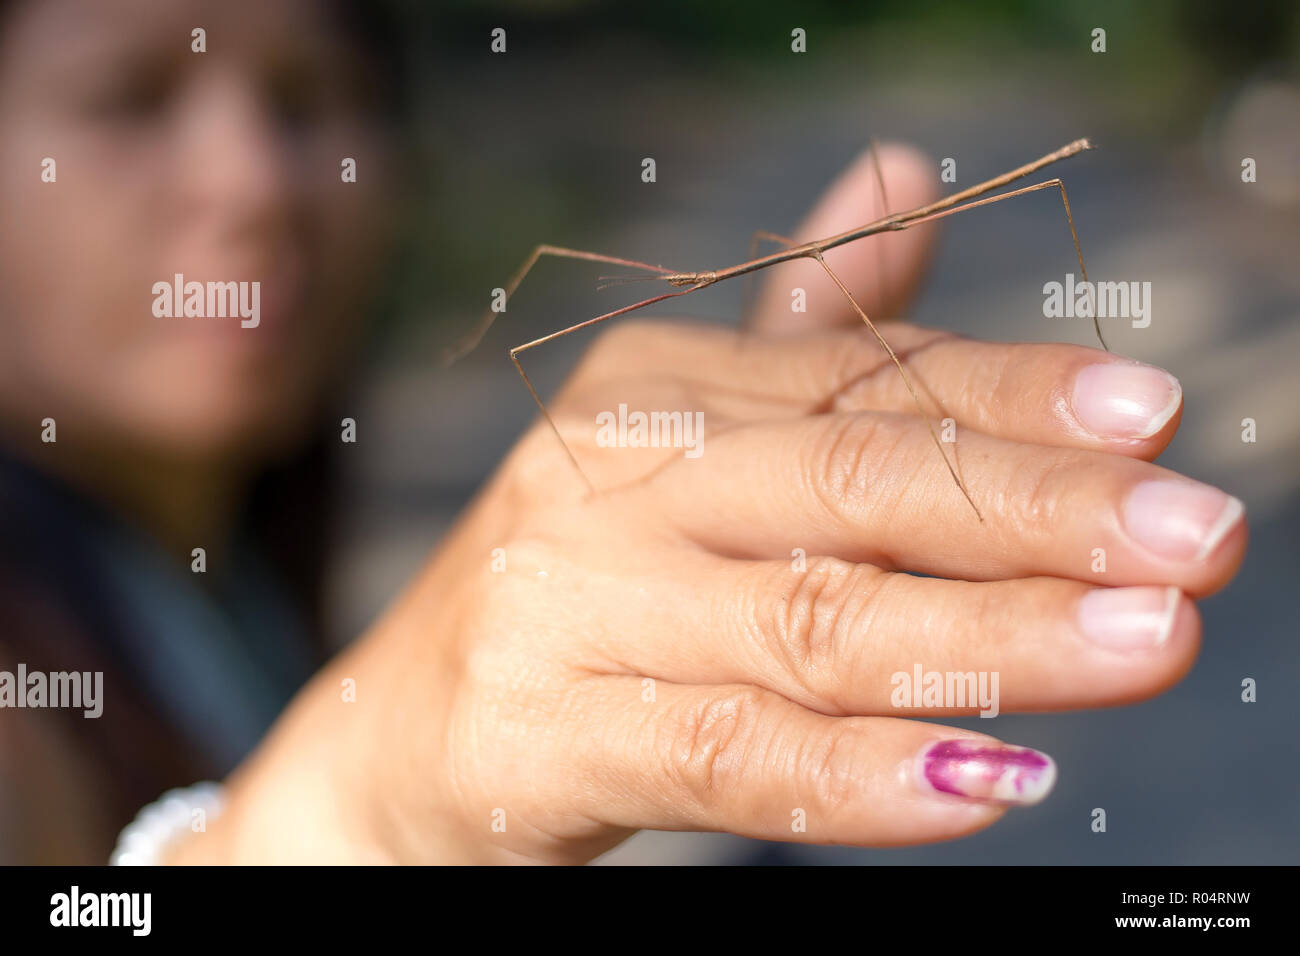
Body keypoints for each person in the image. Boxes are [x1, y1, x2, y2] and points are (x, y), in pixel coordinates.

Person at [0, 0, 1246, 865]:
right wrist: (348, 820)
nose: (253, 184)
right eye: (127, 97)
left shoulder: (223, 586)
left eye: (307, 99)